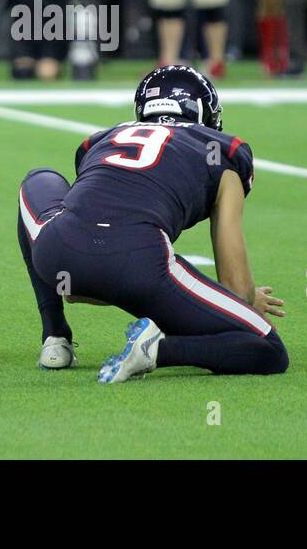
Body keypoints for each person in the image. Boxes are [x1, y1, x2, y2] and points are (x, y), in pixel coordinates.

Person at [17, 65, 288, 382]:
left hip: (60, 253)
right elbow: (237, 288)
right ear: (204, 113)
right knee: (268, 348)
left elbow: (83, 287)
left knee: (38, 180)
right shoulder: (223, 154)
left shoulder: (103, 140)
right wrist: (242, 298)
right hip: (141, 265)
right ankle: (157, 350)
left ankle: (55, 336)